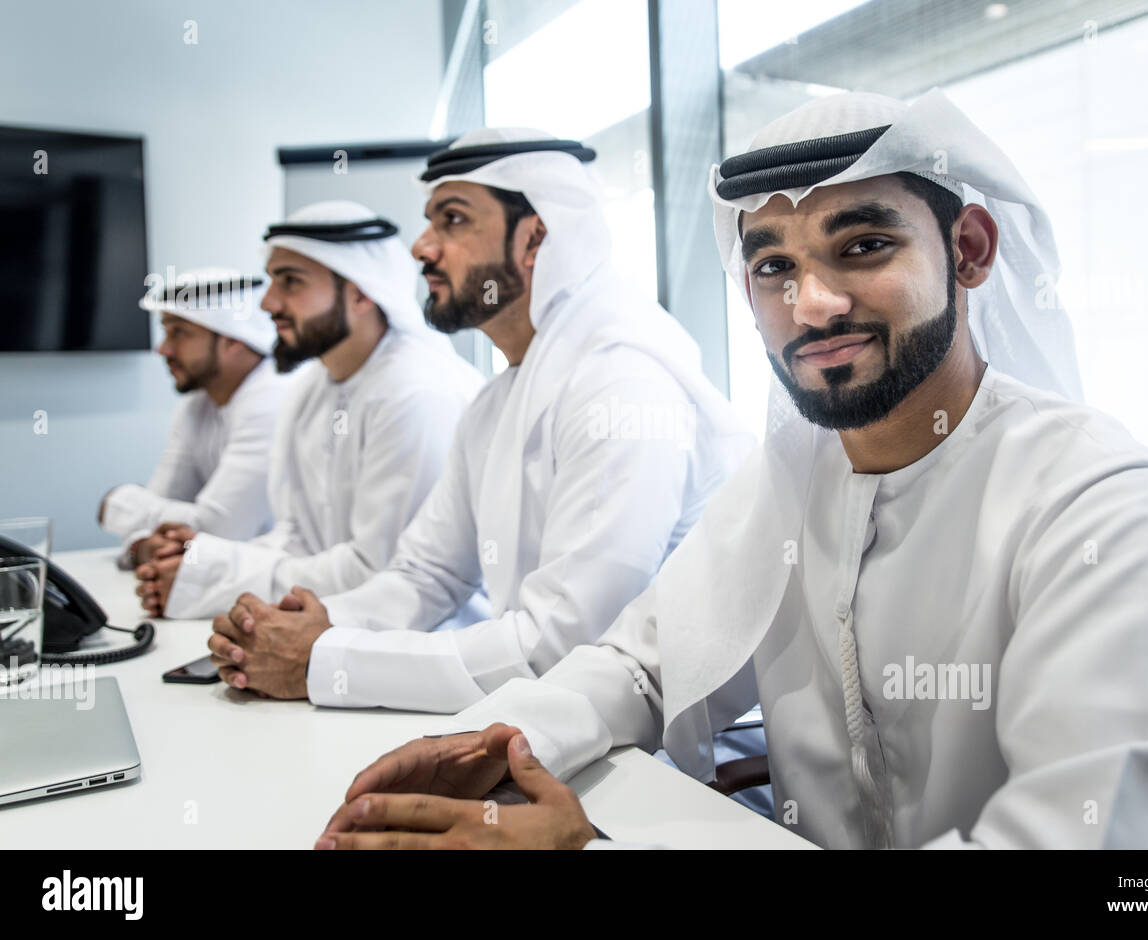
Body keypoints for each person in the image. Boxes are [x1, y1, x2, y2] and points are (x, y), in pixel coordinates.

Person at [315, 91, 1148, 850]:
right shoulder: (794, 479)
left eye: (863, 247)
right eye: (773, 267)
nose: (815, 304)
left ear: (968, 251)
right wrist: (504, 742)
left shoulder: (1108, 512)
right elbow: (640, 663)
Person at [205, 130, 754, 711]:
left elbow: (563, 643)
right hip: (535, 721)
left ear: (535, 238)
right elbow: (427, 574)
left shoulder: (622, 387)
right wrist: (302, 625)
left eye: (453, 220)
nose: (421, 248)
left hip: (648, 762)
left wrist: (324, 661)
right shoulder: (499, 400)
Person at [135, 202, 484, 620]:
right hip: (336, 638)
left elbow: (383, 574)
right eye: (272, 282)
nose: (268, 304)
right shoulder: (309, 391)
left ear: (360, 292)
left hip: (430, 650)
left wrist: (209, 580)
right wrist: (199, 561)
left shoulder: (417, 392)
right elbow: (295, 540)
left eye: (291, 282)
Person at [100, 268, 288, 567]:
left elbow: (220, 529)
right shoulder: (197, 405)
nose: (163, 349)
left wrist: (118, 504)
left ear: (233, 340)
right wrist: (143, 545)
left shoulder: (272, 400)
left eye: (179, 332)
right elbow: (168, 503)